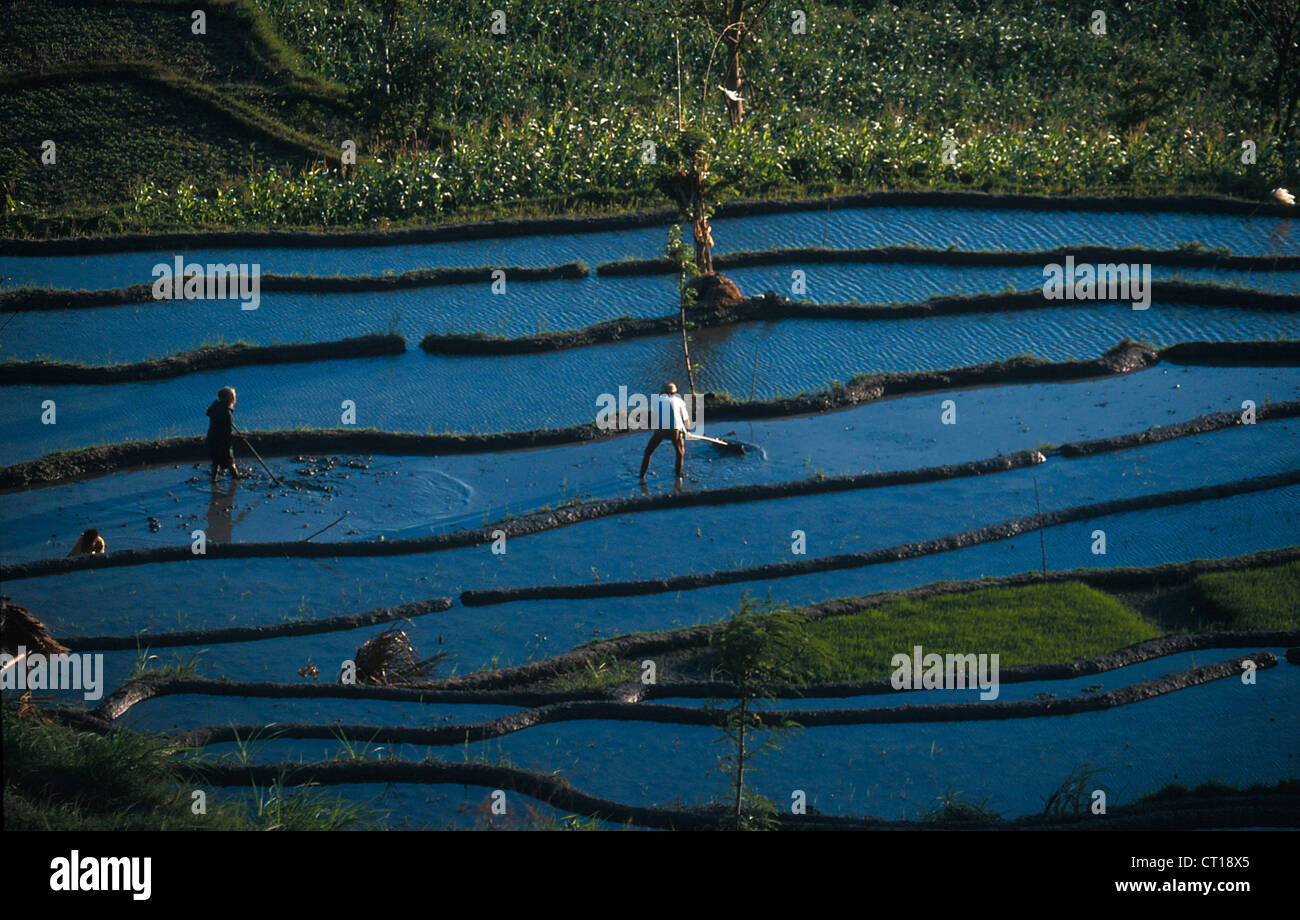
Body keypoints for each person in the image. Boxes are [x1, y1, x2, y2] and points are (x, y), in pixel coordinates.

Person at [639, 382, 690, 482]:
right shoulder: (679, 401)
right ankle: (678, 475)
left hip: (661, 430)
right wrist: (687, 430)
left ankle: (641, 476)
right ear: (674, 392)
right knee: (680, 453)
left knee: (648, 452)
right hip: (674, 430)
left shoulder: (657, 400)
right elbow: (686, 419)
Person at [206, 386, 243, 482]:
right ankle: (236, 477)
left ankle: (213, 479)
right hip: (222, 442)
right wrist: (239, 437)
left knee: (215, 461)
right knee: (230, 460)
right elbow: (227, 434)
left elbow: (208, 413)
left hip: (211, 438)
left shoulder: (215, 405)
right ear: (231, 399)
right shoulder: (227, 414)